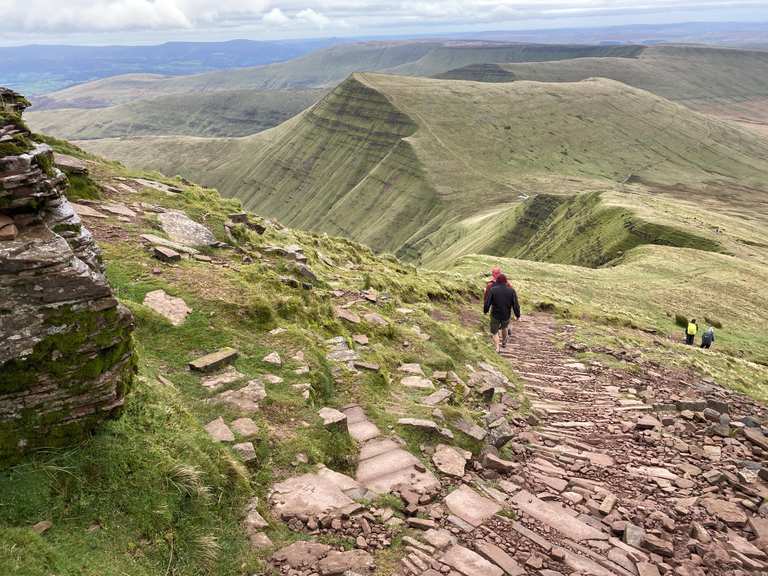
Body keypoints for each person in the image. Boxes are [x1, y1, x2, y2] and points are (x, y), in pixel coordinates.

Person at [484, 273, 521, 353]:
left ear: (497, 281)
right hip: (506, 314)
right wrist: (517, 315)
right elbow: (515, 304)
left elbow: (488, 302)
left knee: (494, 332)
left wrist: (485, 310)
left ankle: (497, 348)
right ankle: (504, 341)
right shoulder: (511, 291)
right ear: (505, 281)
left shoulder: (493, 290)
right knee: (504, 327)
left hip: (495, 314)